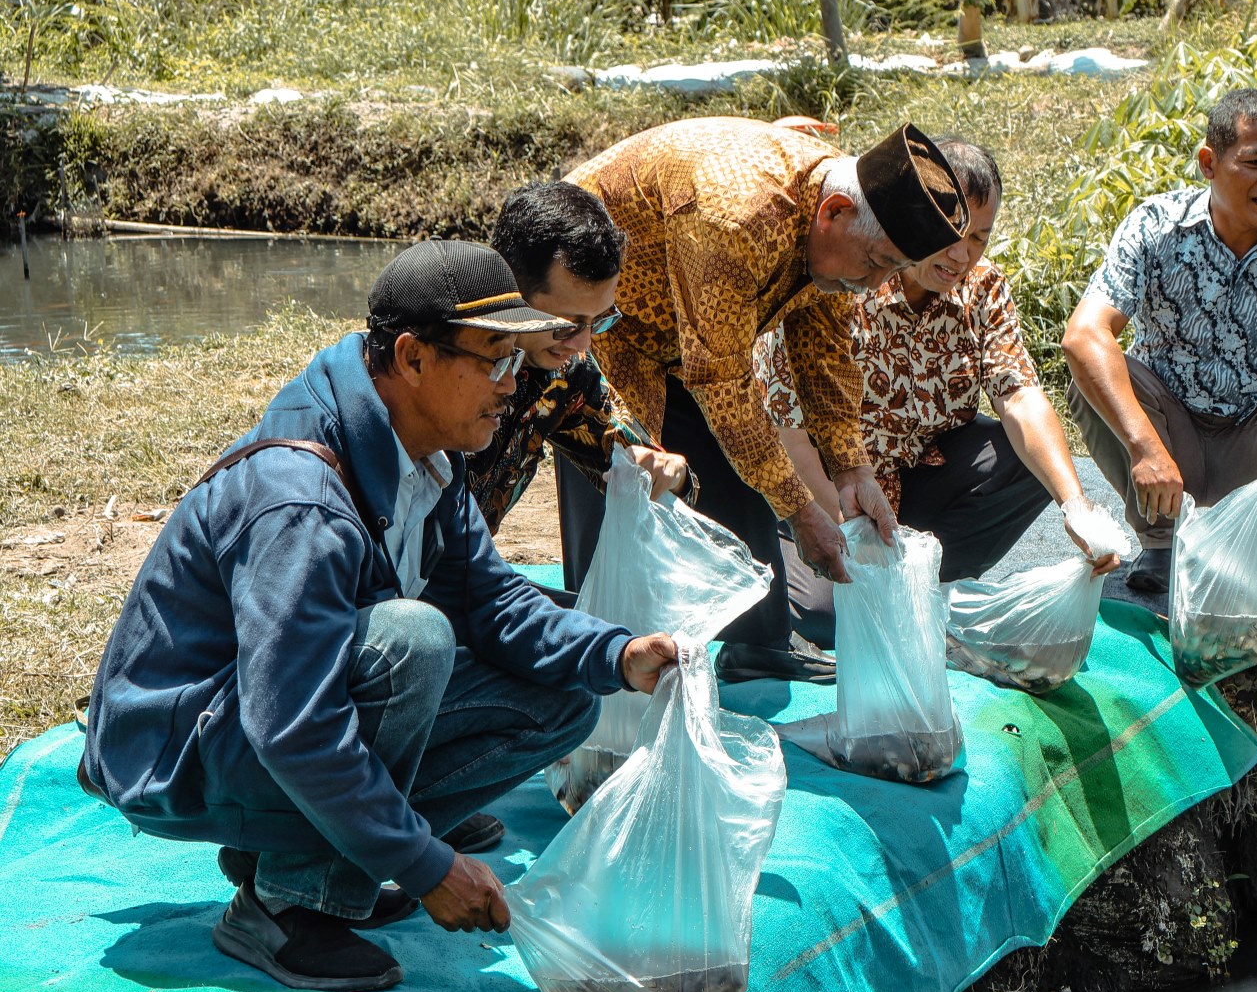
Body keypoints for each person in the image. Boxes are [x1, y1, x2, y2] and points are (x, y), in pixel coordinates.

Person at [80, 240, 679, 992]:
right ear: (412, 357)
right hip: (173, 750)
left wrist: (618, 656)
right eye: (494, 360)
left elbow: (491, 597)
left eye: (516, 361)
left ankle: (311, 851)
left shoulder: (427, 450)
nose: (512, 385)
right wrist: (427, 865)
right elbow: (291, 722)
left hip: (262, 717)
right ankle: (285, 903)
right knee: (411, 640)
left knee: (564, 699)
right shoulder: (302, 499)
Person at [567, 117, 971, 682]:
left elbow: (824, 349)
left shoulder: (842, 221)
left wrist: (851, 468)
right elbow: (721, 379)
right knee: (621, 483)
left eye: (893, 270)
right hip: (600, 322)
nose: (878, 283)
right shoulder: (733, 218)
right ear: (832, 212)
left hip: (687, 333)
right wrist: (800, 508)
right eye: (878, 264)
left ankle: (758, 640)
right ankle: (592, 660)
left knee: (740, 475)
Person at [753, 137, 1121, 648]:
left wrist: (1074, 505)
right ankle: (798, 548)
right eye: (950, 233)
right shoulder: (847, 272)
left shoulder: (983, 288)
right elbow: (788, 433)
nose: (960, 255)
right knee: (826, 616)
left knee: (1029, 465)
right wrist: (845, 532)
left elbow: (1019, 395)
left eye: (978, 239)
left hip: (912, 475)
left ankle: (920, 576)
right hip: (818, 487)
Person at [1062, 87, 1257, 598]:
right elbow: (1084, 333)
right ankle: (1162, 544)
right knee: (1095, 371)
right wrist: (1144, 447)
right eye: (1255, 162)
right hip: (1167, 445)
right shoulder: (1155, 226)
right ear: (1209, 162)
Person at [467, 181, 691, 597]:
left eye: (598, 321)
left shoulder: (564, 371)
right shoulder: (447, 361)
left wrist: (668, 472)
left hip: (464, 581)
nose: (582, 343)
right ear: (511, 289)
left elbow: (641, 459)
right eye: (568, 325)